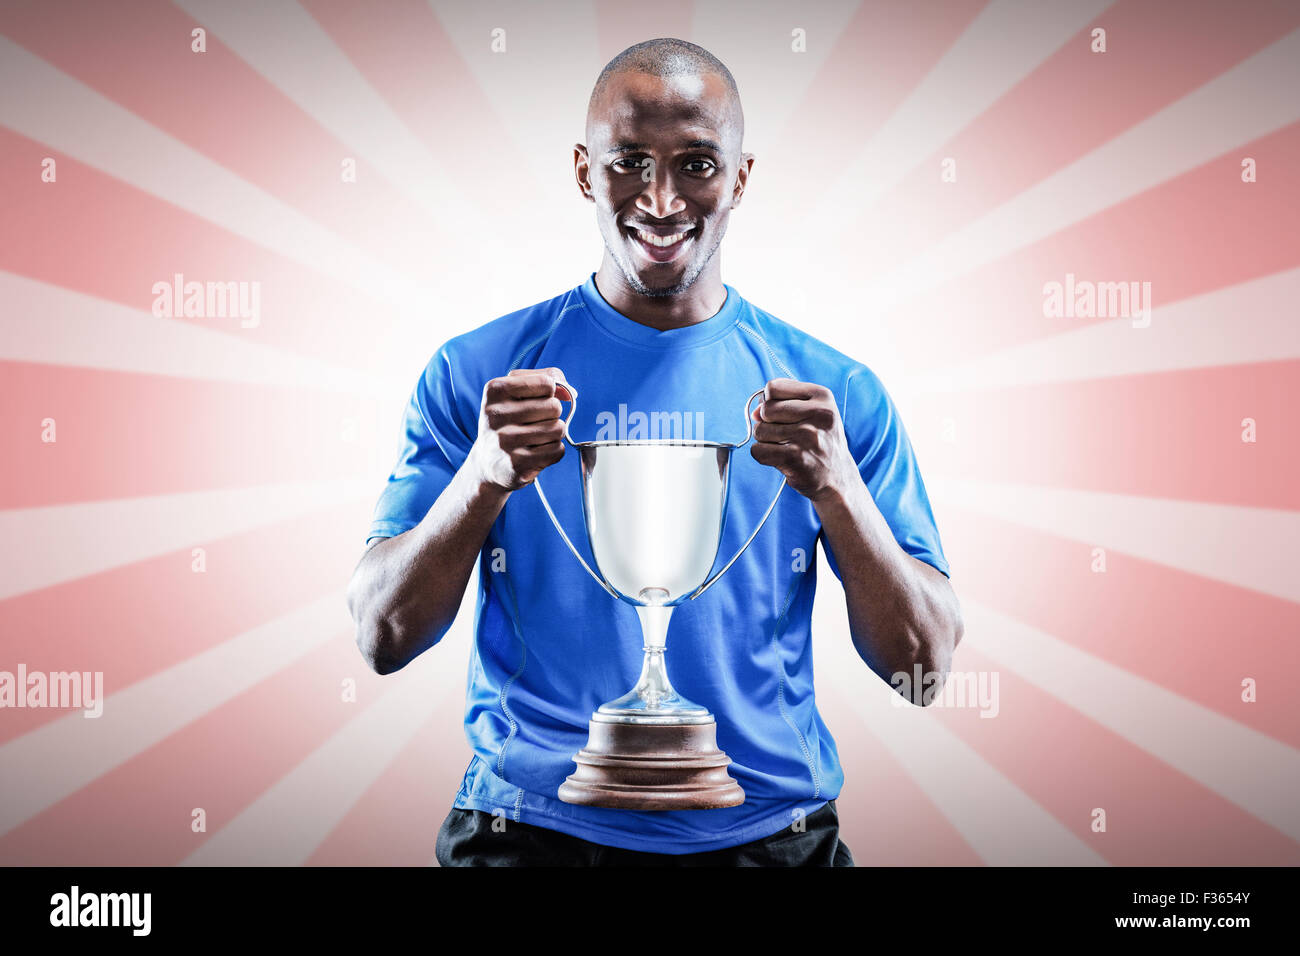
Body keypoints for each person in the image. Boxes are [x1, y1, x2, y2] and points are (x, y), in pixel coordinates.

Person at [346, 38, 963, 867]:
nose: (662, 200)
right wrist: (482, 478)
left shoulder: (834, 395)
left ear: (740, 176)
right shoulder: (479, 374)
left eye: (698, 164)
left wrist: (839, 489)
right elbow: (382, 636)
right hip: (531, 837)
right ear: (582, 170)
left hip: (770, 840)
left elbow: (920, 670)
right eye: (629, 162)